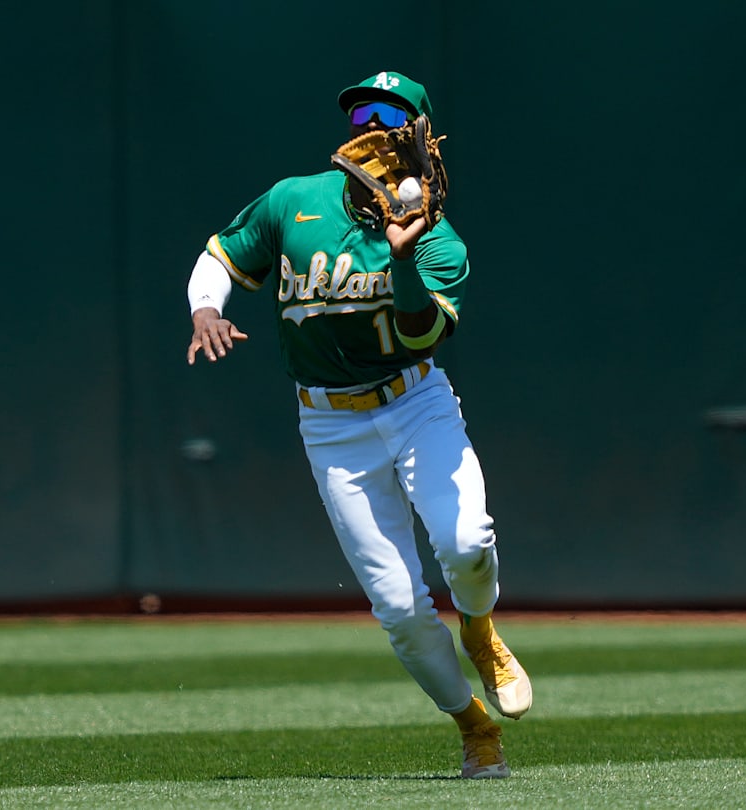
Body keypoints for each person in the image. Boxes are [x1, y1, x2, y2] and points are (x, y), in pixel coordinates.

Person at [184, 70, 532, 780]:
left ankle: (480, 628)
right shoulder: (295, 199)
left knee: (466, 543)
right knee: (400, 609)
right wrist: (206, 310)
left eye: (390, 113)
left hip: (415, 401)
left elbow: (417, 335)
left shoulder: (441, 242)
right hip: (331, 427)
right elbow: (219, 255)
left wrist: (403, 258)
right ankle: (474, 726)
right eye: (360, 113)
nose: (371, 125)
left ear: (421, 136)